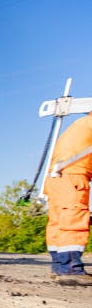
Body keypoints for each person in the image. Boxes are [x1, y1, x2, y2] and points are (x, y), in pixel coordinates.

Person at [44, 110, 92, 285]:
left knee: (58, 221)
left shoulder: (81, 125)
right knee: (74, 219)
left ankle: (59, 266)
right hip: (73, 176)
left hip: (56, 177)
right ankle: (70, 269)